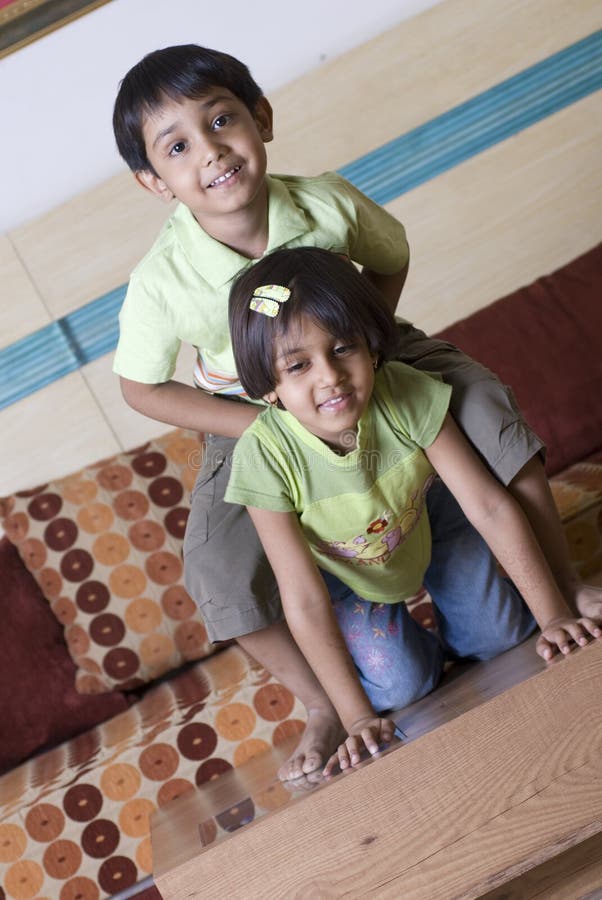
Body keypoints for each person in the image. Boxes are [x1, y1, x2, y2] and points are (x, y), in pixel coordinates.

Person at [111, 44, 601, 780]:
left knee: (487, 409)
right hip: (252, 408)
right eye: (179, 146)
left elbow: (392, 255)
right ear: (155, 181)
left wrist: (366, 349)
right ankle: (327, 704)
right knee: (216, 567)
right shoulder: (162, 281)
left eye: (222, 120)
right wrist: (261, 424)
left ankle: (557, 592)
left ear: (261, 119)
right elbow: (139, 389)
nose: (210, 151)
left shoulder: (326, 203)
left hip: (361, 351)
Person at [225, 247, 601, 774]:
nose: (330, 377)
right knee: (404, 685)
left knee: (503, 635)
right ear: (267, 388)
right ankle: (406, 653)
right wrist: (357, 719)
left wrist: (554, 616)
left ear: (373, 348)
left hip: (424, 525)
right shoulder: (263, 458)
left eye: (343, 348)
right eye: (298, 365)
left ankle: (470, 611)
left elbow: (489, 505)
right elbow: (304, 598)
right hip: (348, 581)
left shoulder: (405, 391)